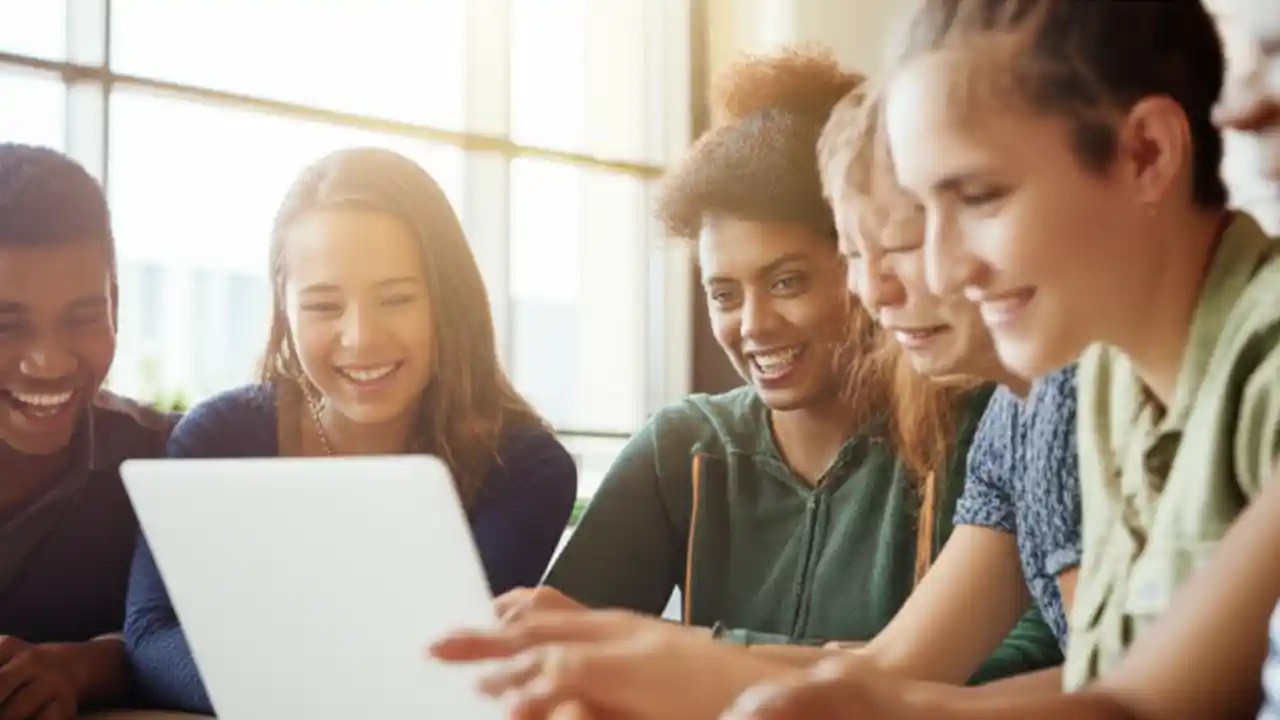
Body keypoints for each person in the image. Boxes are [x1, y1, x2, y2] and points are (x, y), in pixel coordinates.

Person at [721, 0, 1280, 717]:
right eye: (924, 214)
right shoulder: (1114, 378)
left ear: (1147, 154)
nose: (945, 270)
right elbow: (1122, 687)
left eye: (980, 198)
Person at [474, 48, 1052, 667]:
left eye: (787, 283)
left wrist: (681, 652)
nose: (751, 325)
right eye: (723, 294)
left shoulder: (985, 426)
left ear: (857, 258)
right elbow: (561, 645)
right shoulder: (687, 447)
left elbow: (1027, 664)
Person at [123, 147, 578, 714]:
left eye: (396, 299)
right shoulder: (219, 438)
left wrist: (270, 665)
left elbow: (446, 662)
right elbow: (150, 631)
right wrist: (274, 695)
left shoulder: (523, 466)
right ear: (284, 309)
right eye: (322, 306)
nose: (361, 337)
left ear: (448, 302)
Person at [0, 143, 173, 719]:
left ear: (114, 307)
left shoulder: (168, 463)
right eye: (6, 327)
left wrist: (79, 668)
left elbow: (220, 632)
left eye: (81, 319)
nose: (47, 362)